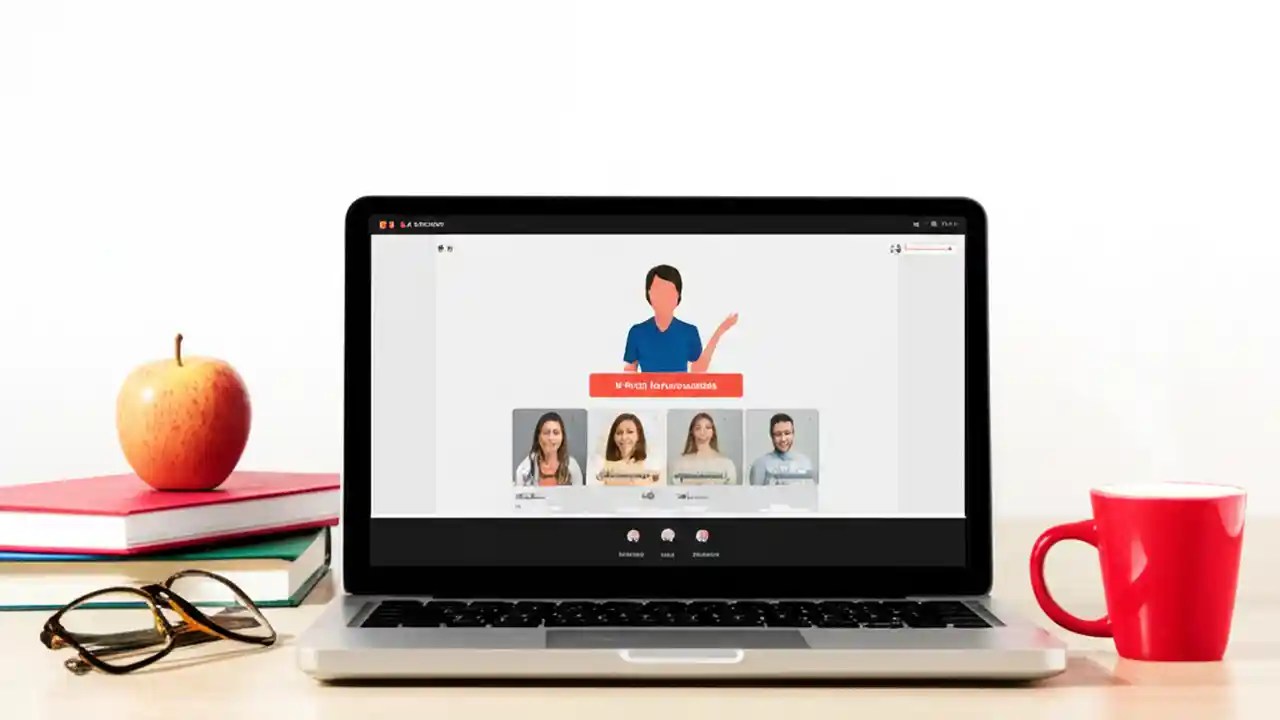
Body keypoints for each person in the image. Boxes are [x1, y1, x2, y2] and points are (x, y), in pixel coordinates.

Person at [622, 264, 738, 373]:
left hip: (679, 394)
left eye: (668, 291)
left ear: (678, 295)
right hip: (648, 394)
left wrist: (720, 331)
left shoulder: (689, 332)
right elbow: (629, 375)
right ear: (648, 293)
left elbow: (698, 369)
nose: (663, 297)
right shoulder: (637, 332)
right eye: (658, 290)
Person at [515, 412, 584, 486]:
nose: (551, 438)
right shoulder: (524, 470)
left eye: (556, 433)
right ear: (538, 437)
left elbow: (579, 496)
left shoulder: (572, 468)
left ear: (562, 437)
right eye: (546, 433)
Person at [669, 412, 737, 485]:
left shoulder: (726, 464)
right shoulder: (680, 464)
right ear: (692, 432)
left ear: (713, 432)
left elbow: (731, 493)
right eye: (698, 428)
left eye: (707, 427)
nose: (703, 432)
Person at [748, 412, 816, 485]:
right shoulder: (760, 464)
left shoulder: (805, 462)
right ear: (771, 436)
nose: (783, 439)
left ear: (793, 434)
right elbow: (754, 495)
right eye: (778, 434)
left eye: (787, 433)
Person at [594, 413, 662, 485]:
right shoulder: (601, 465)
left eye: (630, 432)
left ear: (638, 436)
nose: (624, 437)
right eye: (619, 433)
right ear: (613, 437)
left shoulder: (650, 465)